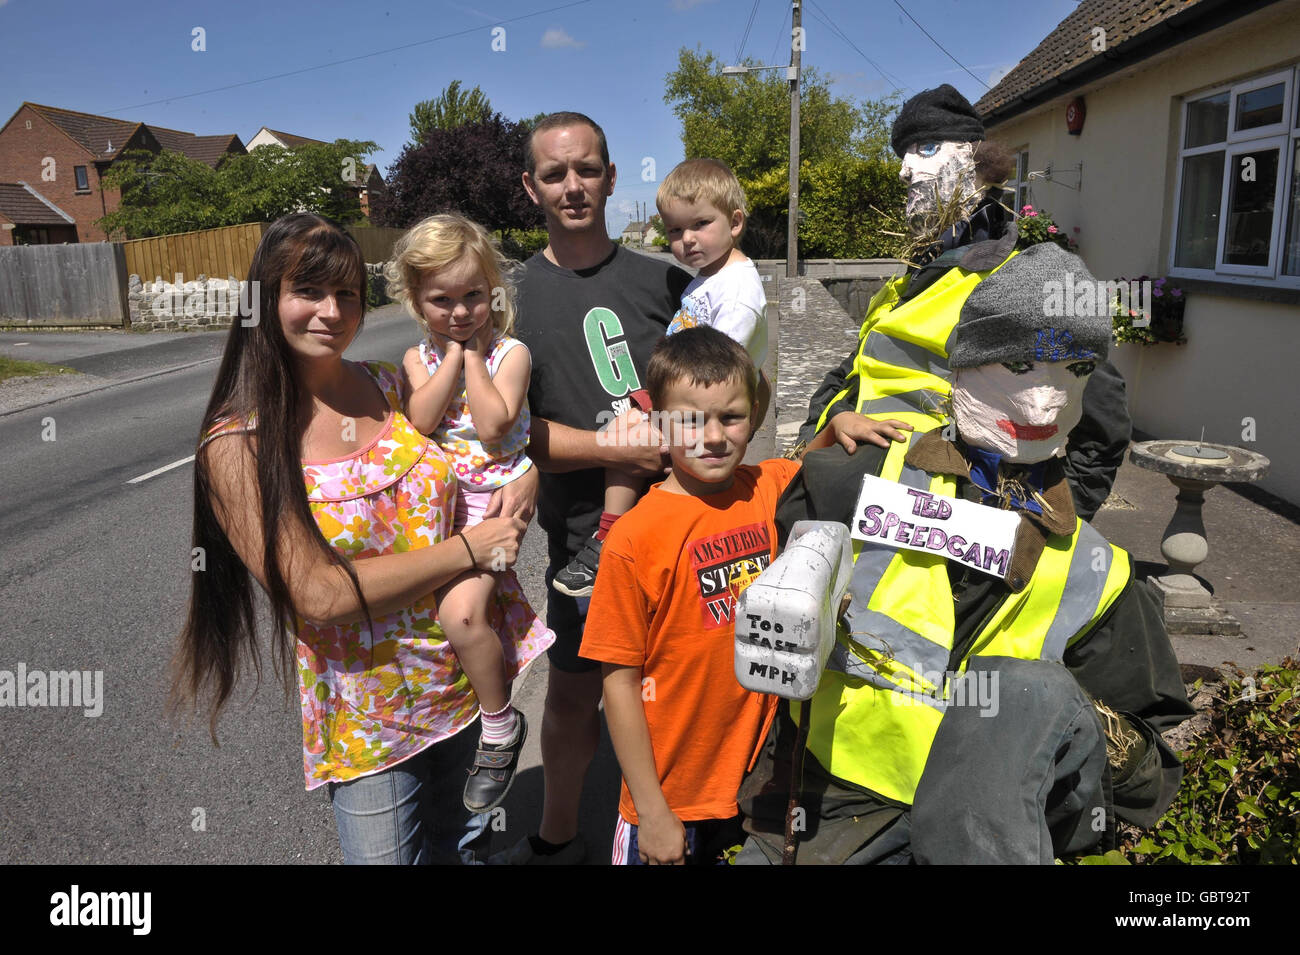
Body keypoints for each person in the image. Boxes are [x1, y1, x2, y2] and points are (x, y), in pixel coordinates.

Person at [734, 243, 1193, 864]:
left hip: (991, 840)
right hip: (836, 815)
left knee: (1024, 687)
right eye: (1019, 367)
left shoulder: (1095, 571)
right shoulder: (859, 481)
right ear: (961, 367)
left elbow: (1147, 770)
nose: (1044, 404)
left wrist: (1061, 719)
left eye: (1074, 373)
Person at [169, 213, 552, 864]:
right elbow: (317, 594)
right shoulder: (239, 443)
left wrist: (529, 473)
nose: (331, 310)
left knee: (462, 848)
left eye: (346, 292)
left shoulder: (385, 384)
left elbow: (483, 442)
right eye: (308, 291)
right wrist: (470, 547)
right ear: (265, 297)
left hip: (461, 683)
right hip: (370, 720)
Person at [493, 111, 692, 865]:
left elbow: (730, 390)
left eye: (587, 170)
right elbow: (507, 432)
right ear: (530, 187)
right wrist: (613, 446)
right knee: (573, 698)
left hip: (682, 532)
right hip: (585, 543)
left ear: (611, 176)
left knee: (686, 693)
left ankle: (687, 834)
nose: (572, 186)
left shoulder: (669, 280)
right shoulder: (511, 300)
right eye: (554, 173)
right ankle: (556, 839)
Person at [799, 84, 1130, 522]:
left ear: (977, 162)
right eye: (902, 154)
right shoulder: (912, 278)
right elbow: (852, 373)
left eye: (926, 148)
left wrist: (1044, 520)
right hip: (854, 511)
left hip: (948, 539)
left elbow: (1101, 419)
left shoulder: (1026, 282)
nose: (905, 169)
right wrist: (817, 435)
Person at [581, 327, 831, 864]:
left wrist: (840, 426)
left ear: (754, 413)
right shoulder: (634, 538)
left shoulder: (767, 486)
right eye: (691, 419)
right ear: (659, 425)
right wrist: (651, 811)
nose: (713, 436)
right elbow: (619, 683)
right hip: (670, 798)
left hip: (752, 784)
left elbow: (819, 460)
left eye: (731, 416)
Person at [552, 157, 807, 597]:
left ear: (735, 222)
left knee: (627, 442)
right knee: (625, 434)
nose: (686, 240)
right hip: (684, 397)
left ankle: (611, 537)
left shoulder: (739, 293)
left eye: (700, 225)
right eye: (674, 231)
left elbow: (717, 367)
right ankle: (614, 535)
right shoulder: (709, 278)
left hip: (701, 405)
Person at [386, 213, 551, 813]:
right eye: (441, 300)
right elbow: (422, 421)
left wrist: (473, 358)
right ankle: (466, 718)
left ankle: (501, 728)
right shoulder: (414, 358)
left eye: (473, 296)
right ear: (415, 300)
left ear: (494, 293)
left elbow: (493, 424)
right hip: (438, 508)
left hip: (495, 504)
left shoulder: (512, 353)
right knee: (444, 621)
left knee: (461, 615)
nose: (459, 312)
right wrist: (450, 362)